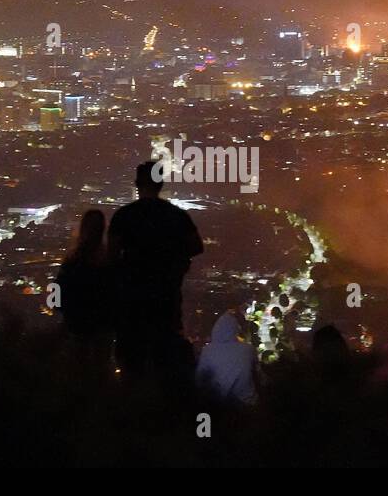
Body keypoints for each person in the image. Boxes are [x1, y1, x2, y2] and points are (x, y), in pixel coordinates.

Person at [107, 161, 204, 379]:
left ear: (137, 184)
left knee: (132, 364)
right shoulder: (177, 216)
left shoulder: (124, 216)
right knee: (164, 362)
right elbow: (197, 246)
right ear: (161, 184)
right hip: (166, 299)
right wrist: (176, 261)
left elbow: (111, 258)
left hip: (132, 302)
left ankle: (132, 405)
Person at [56, 209, 113, 369]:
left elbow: (58, 289)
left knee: (78, 368)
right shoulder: (109, 261)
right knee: (99, 369)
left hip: (77, 324)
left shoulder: (73, 260)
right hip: (102, 324)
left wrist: (64, 312)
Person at [196, 311, 258, 406]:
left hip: (219, 403)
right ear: (235, 329)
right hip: (247, 402)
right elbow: (258, 372)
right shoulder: (248, 349)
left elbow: (199, 378)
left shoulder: (207, 351)